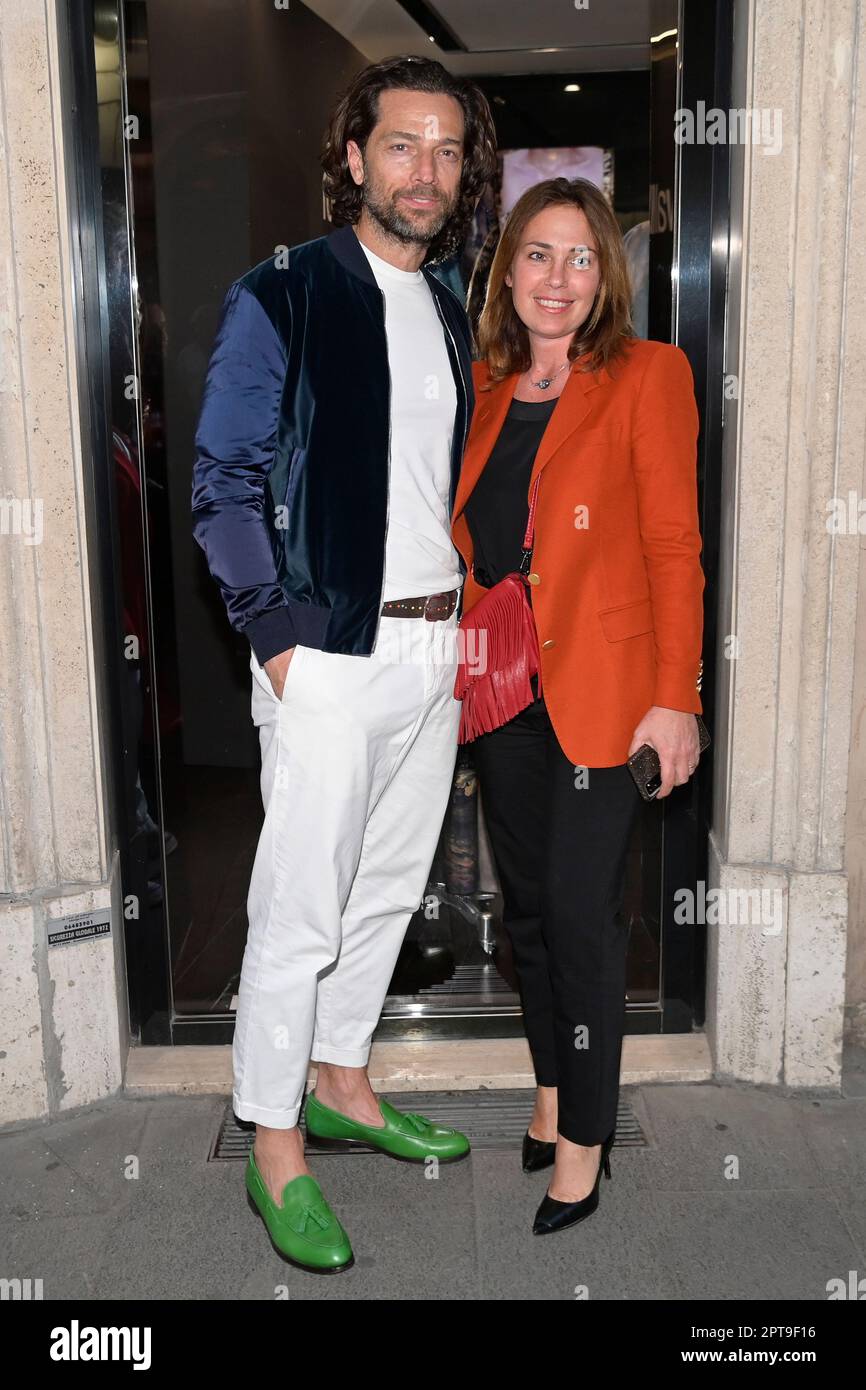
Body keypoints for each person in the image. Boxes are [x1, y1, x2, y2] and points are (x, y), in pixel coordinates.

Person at [191, 55, 497, 1273]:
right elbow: (222, 478)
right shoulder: (285, 291)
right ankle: (273, 1148)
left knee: (384, 892)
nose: (425, 171)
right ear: (354, 157)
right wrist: (273, 637)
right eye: (401, 146)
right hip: (327, 654)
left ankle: (343, 1080)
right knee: (297, 908)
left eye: (446, 151)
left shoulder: (448, 300)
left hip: (433, 649)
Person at [450, 177, 705, 1236]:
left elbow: (671, 547)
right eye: (538, 256)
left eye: (580, 258)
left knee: (582, 922)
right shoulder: (483, 387)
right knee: (526, 918)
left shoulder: (648, 375)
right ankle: (550, 1093)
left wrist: (674, 699)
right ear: (507, 272)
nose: (557, 279)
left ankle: (586, 1146)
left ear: (607, 275)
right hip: (502, 694)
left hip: (605, 698)